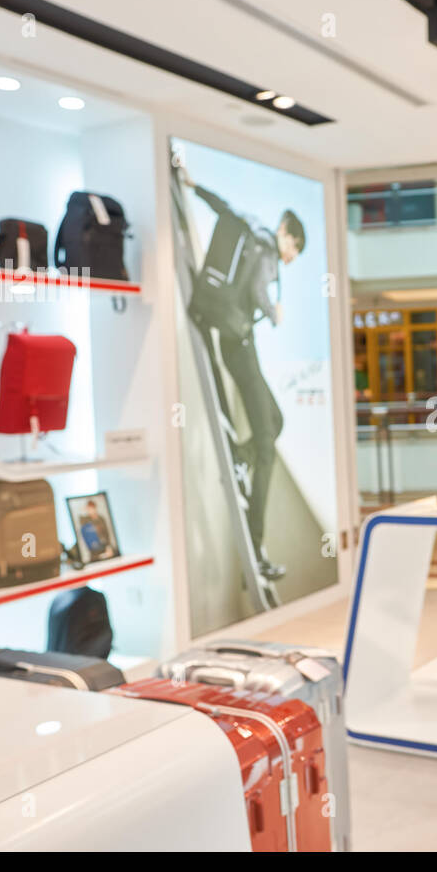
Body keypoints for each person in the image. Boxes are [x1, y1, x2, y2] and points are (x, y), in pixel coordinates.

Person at [179, 167, 305, 581]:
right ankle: (258, 544)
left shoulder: (251, 229)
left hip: (227, 332)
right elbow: (257, 293)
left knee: (278, 421)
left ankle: (243, 455)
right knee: (269, 445)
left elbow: (224, 208)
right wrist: (275, 313)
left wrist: (194, 185)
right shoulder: (267, 249)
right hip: (240, 341)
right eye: (294, 247)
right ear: (286, 234)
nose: (290, 256)